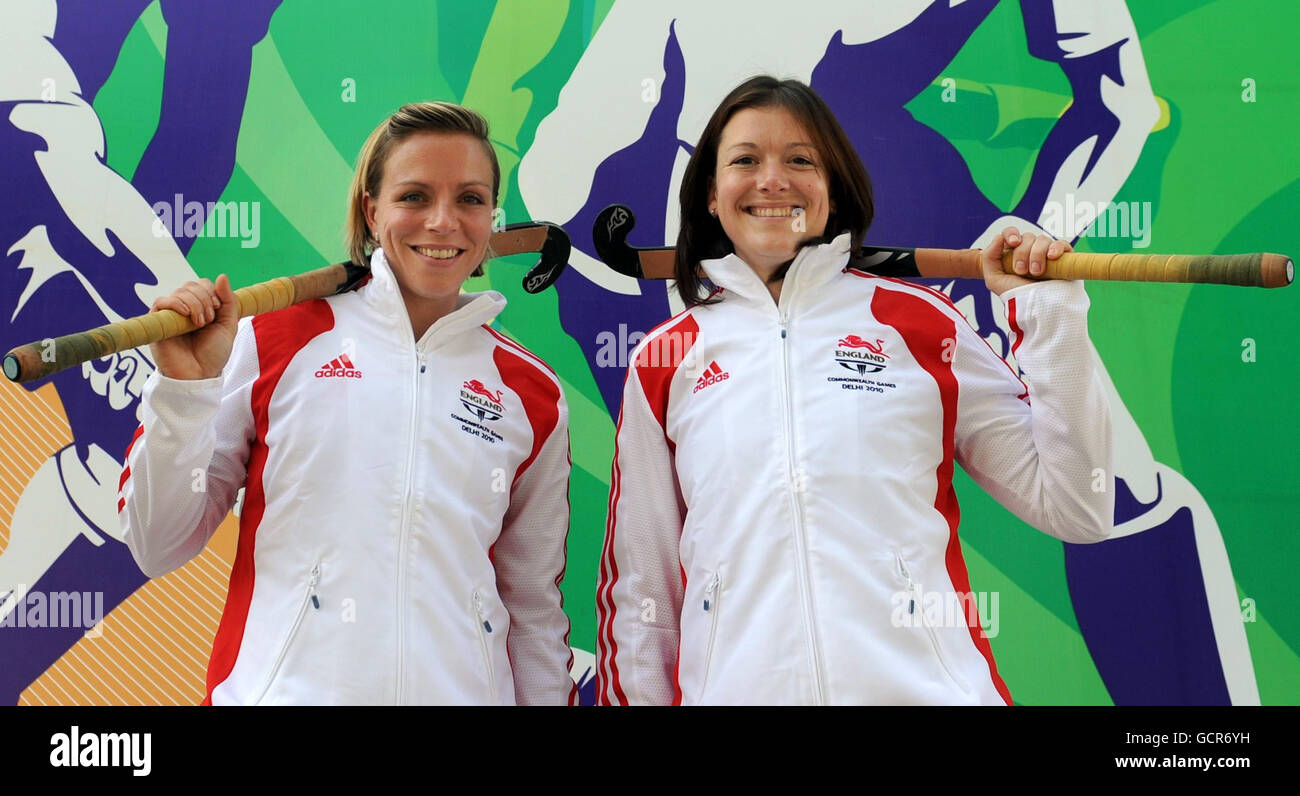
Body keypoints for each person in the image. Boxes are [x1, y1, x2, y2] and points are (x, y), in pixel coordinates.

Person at [596, 76, 1115, 705]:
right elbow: (644, 596)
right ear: (711, 194)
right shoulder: (665, 359)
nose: (772, 180)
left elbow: (1075, 507)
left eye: (800, 160)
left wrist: (1050, 315)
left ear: (832, 189)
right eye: (745, 160)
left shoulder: (922, 324)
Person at [118, 102, 577, 705]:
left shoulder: (530, 391)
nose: (443, 222)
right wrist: (185, 392)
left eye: (469, 199)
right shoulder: (273, 339)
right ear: (371, 209)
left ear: (492, 215)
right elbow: (157, 543)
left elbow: (532, 608)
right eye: (414, 196)